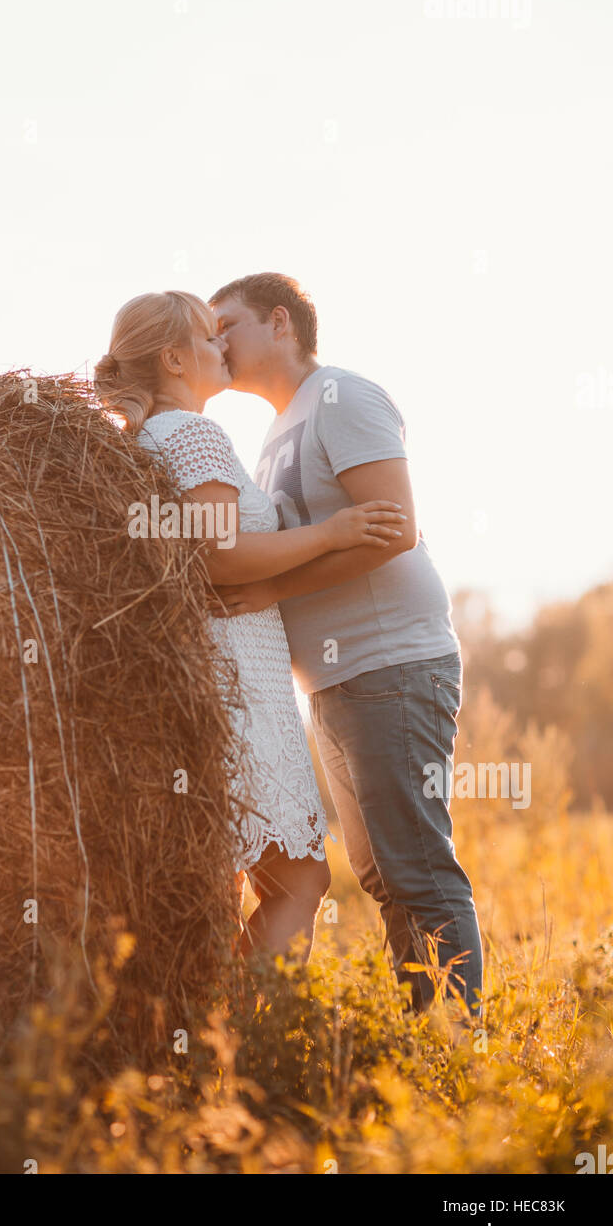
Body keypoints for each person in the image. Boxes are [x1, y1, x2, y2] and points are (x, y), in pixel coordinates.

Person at [93, 290, 405, 962]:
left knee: (223, 882)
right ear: (176, 359)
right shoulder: (195, 433)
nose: (222, 349)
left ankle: (211, 1033)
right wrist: (334, 531)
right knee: (301, 881)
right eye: (210, 339)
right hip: (237, 679)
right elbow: (220, 553)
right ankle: (243, 1032)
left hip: (206, 675)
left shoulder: (143, 438)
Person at [209, 272, 483, 1015]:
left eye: (226, 324)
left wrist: (271, 591)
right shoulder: (275, 432)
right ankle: (431, 1032)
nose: (215, 341)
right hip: (336, 681)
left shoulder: (343, 397)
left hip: (390, 661)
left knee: (417, 868)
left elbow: (393, 528)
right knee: (382, 872)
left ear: (279, 323)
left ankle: (459, 1044)